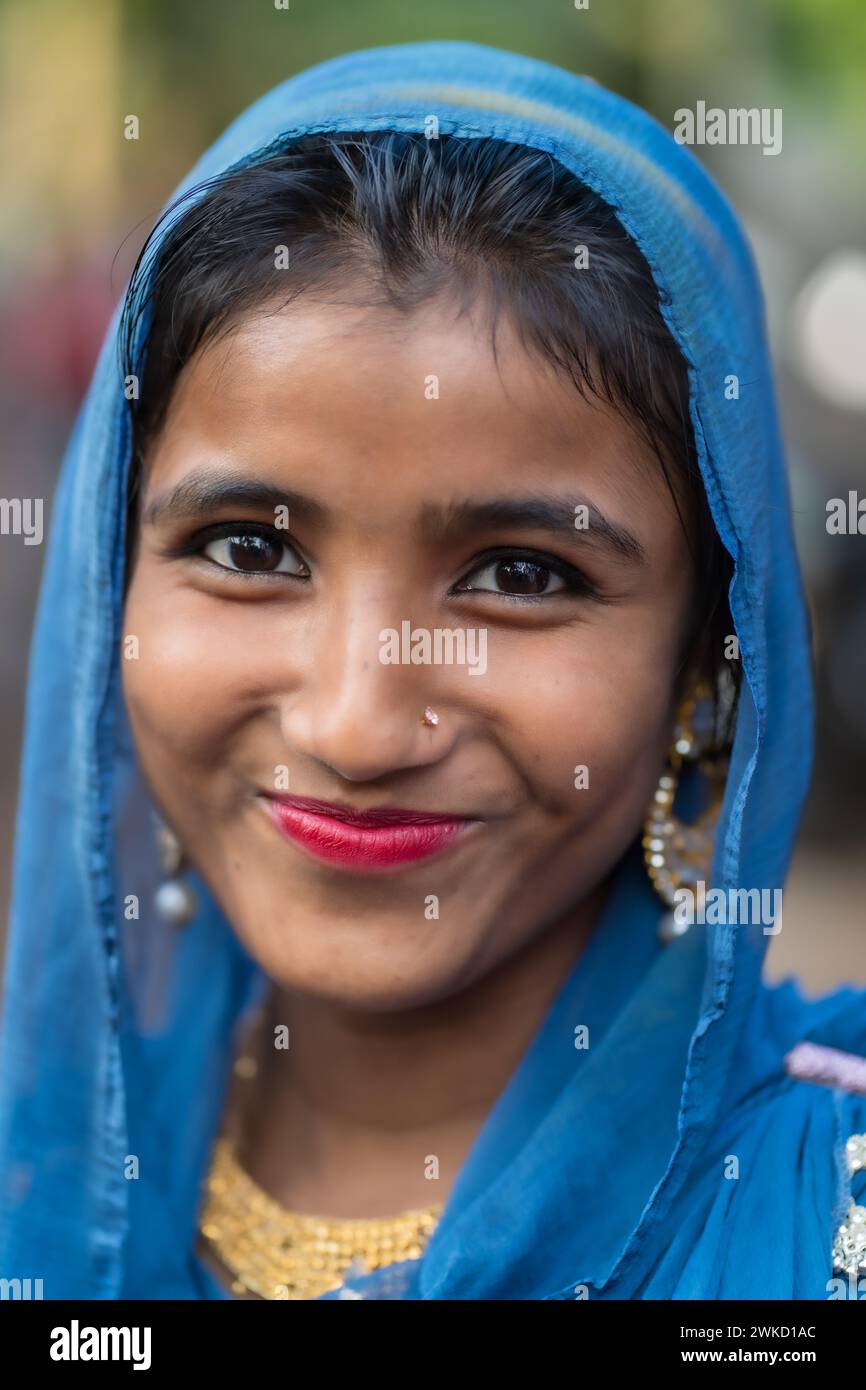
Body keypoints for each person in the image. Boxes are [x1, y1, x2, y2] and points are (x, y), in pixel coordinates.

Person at [1, 40, 864, 1302]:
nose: (357, 724)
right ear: (107, 583)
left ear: (706, 662)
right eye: (248, 549)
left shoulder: (815, 1221)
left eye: (520, 575)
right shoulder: (45, 1192)